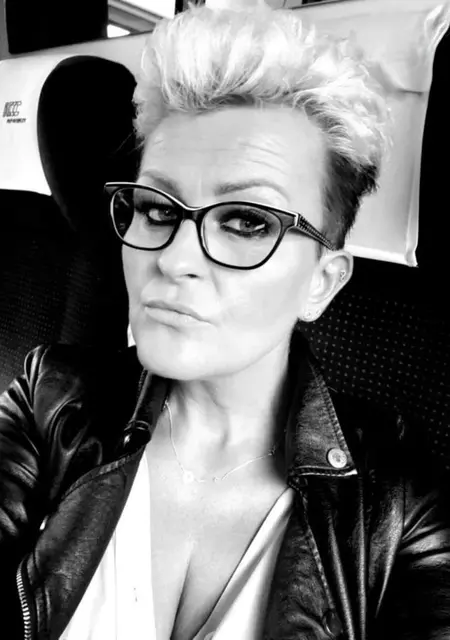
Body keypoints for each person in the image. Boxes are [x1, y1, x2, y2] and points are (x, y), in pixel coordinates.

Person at [1, 3, 450, 639]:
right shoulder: (51, 401)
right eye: (157, 209)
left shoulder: (398, 505)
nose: (174, 259)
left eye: (247, 222)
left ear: (321, 283)